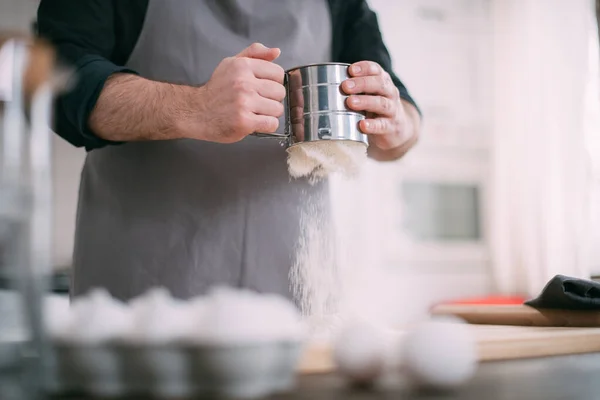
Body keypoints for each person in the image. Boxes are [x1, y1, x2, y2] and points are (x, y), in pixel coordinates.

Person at [36, 0, 421, 302]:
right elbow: (56, 80)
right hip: (141, 299)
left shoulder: (345, 3)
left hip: (300, 293)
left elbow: (401, 119)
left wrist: (397, 124)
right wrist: (193, 107)